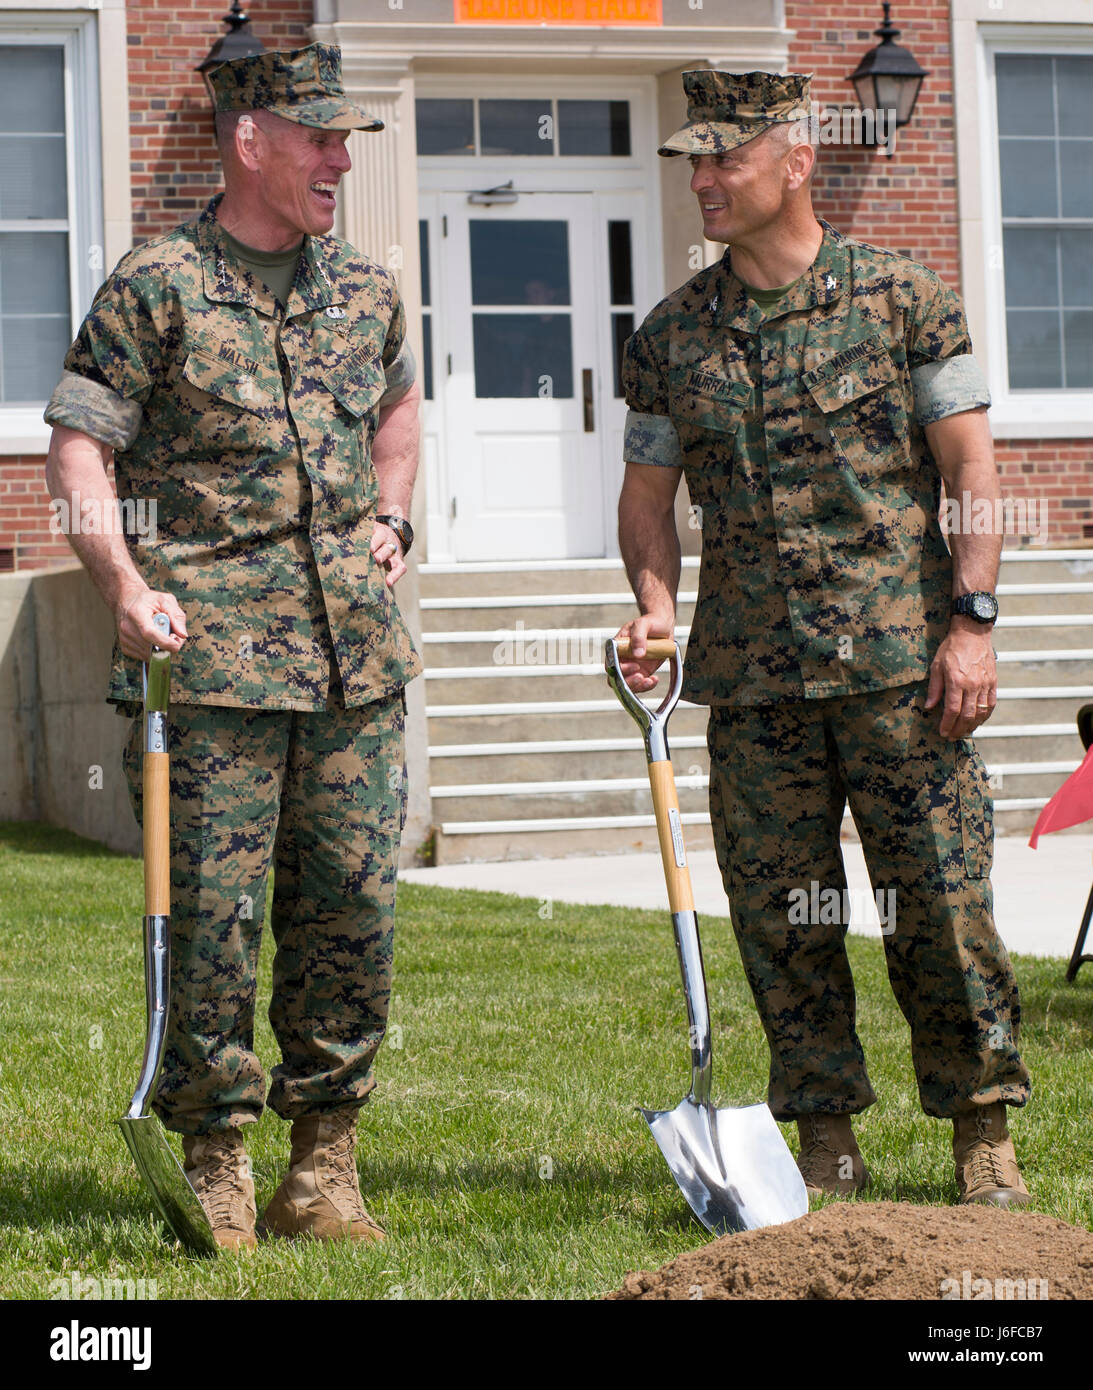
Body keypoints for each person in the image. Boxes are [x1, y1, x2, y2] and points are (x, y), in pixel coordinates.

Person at [616, 70, 1032, 1208]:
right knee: (780, 917)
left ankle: (980, 1128)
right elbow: (648, 495)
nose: (700, 179)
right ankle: (824, 1135)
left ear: (793, 162)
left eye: (722, 159)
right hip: (754, 688)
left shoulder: (902, 300)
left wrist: (973, 621)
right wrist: (655, 605)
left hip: (904, 672)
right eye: (691, 162)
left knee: (940, 902)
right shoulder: (670, 337)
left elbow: (973, 472)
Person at [43, 43, 422, 1250]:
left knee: (352, 905)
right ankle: (217, 1154)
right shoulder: (156, 283)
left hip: (353, 660)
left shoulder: (365, 290)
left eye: (346, 136)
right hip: (206, 661)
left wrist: (394, 514)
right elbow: (80, 445)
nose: (340, 158)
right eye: (317, 136)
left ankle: (325, 1164)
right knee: (212, 913)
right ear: (249, 138)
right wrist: (122, 581)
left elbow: (401, 409)